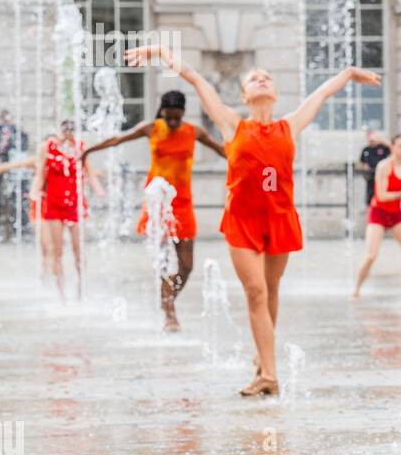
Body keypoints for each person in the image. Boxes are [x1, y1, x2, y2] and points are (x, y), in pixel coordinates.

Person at [124, 44, 381, 396]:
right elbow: (196, 78)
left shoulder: (290, 125)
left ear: (273, 93)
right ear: (244, 95)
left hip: (279, 220)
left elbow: (322, 92)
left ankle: (263, 360)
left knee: (271, 292)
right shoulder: (232, 124)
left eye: (266, 78)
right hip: (242, 223)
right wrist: (161, 53)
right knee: (256, 292)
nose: (261, 80)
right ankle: (270, 377)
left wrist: (350, 73)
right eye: (254, 79)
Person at [82, 91, 227, 332]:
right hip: (158, 202)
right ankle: (170, 313)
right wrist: (88, 151)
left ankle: (166, 299)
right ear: (162, 111)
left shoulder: (194, 132)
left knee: (187, 265)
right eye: (168, 117)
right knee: (163, 260)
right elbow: (118, 139)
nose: (171, 123)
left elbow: (222, 150)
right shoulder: (151, 128)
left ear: (183, 114)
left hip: (182, 203)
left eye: (176, 118)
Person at [30, 119, 105, 300]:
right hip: (54, 204)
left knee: (78, 249)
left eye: (71, 130)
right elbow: (40, 174)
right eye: (65, 130)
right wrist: (34, 191)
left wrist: (98, 189)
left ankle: (81, 289)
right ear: (58, 131)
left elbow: (89, 172)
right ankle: (61, 293)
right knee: (57, 251)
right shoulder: (47, 147)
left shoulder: (80, 148)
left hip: (75, 204)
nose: (68, 134)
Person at [354, 133, 401, 298]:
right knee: (371, 255)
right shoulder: (384, 166)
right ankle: (356, 289)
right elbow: (382, 195)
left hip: (396, 214)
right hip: (378, 213)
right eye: (400, 146)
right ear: (393, 148)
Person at [0, 110, 27, 218]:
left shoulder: (16, 129)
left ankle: (13, 209)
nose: (6, 119)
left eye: (7, 117)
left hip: (11, 160)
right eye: (4, 117)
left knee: (13, 185)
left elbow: (23, 143)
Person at [357, 130, 391, 214]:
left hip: (382, 177)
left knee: (382, 196)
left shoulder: (383, 148)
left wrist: (382, 140)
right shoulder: (366, 149)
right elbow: (361, 162)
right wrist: (364, 166)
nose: (371, 141)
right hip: (370, 177)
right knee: (370, 199)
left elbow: (392, 148)